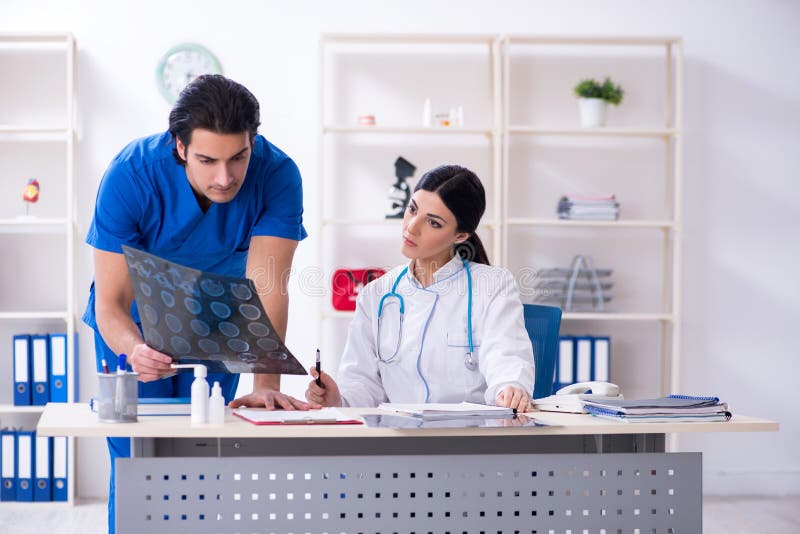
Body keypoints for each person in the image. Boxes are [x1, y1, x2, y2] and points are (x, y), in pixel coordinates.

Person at [83, 74, 312, 532]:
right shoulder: (131, 174)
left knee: (204, 456)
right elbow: (111, 300)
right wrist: (133, 349)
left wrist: (266, 381)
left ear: (254, 141)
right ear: (180, 147)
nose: (225, 178)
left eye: (238, 157)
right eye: (207, 160)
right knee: (136, 462)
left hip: (217, 318)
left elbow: (268, 285)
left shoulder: (278, 175)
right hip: (132, 325)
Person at [306, 164, 534, 411]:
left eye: (433, 223)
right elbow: (362, 383)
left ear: (460, 236)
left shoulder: (492, 286)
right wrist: (336, 400)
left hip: (468, 436)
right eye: (412, 209)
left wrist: (510, 387)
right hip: (399, 438)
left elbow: (505, 354)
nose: (412, 227)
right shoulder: (377, 294)